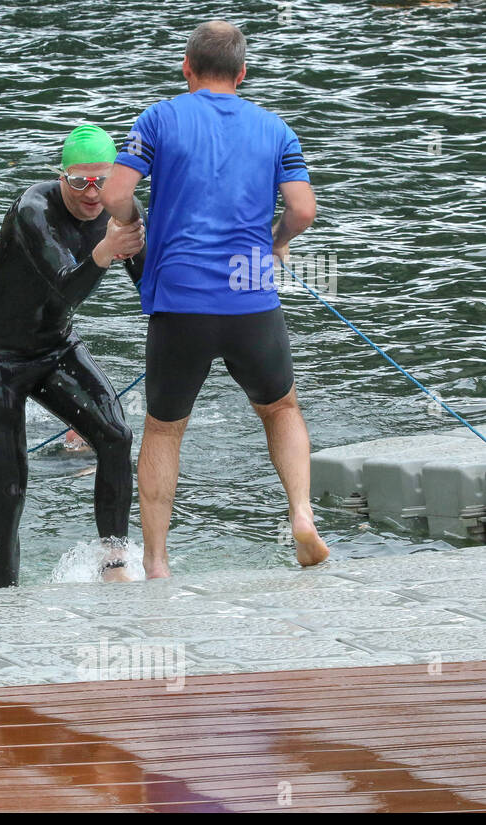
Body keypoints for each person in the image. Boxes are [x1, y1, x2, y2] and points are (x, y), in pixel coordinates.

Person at [100, 19, 329, 578]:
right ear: (243, 72)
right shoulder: (275, 129)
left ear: (187, 68)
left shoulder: (160, 117)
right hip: (251, 299)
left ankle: (156, 562)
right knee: (280, 408)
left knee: (162, 428)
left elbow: (114, 193)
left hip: (180, 302)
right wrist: (273, 248)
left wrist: (135, 227)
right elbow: (303, 210)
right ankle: (300, 514)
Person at [0, 125, 147, 589]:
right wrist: (105, 250)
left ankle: (113, 563)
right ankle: (6, 598)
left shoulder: (124, 211)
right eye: (79, 181)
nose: (91, 193)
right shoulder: (34, 210)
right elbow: (67, 286)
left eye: (102, 182)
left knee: (116, 435)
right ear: (61, 177)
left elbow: (152, 290)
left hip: (55, 346)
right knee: (9, 488)